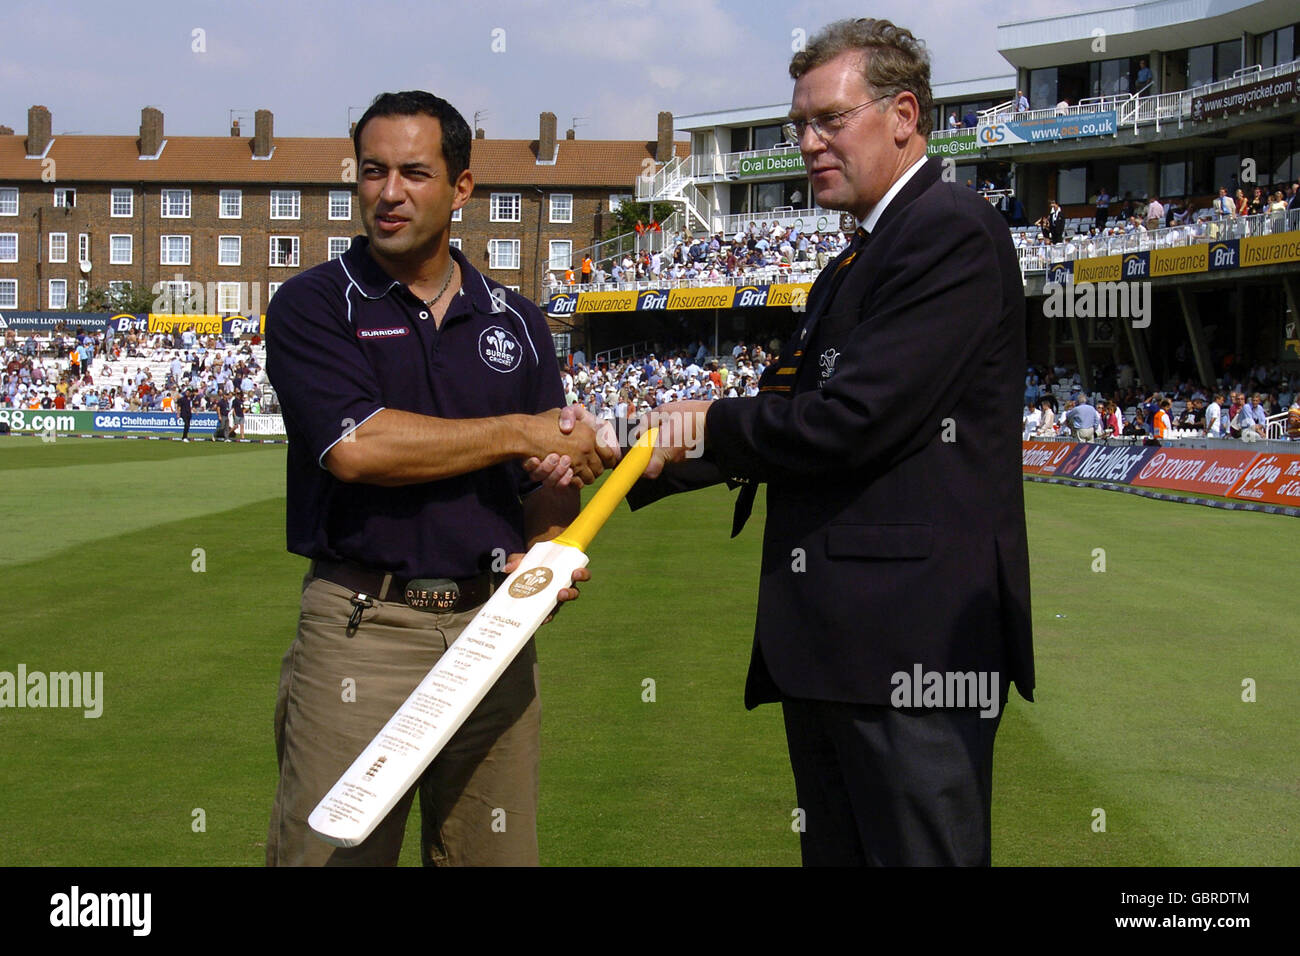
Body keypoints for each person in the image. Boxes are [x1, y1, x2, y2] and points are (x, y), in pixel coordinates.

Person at [605, 18, 1035, 866]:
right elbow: (780, 408)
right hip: (841, 648)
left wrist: (685, 429)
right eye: (799, 124)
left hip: (913, 652)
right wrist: (630, 447)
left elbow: (848, 421)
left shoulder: (947, 229)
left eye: (829, 121)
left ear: (904, 114)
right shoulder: (853, 260)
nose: (807, 143)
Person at [263, 90, 617, 867]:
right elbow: (356, 448)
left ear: (461, 189)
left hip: (492, 630)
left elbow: (545, 476)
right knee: (329, 856)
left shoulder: (517, 321)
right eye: (373, 171)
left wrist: (548, 545)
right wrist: (516, 431)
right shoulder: (312, 304)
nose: (389, 192)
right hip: (364, 629)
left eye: (415, 173)